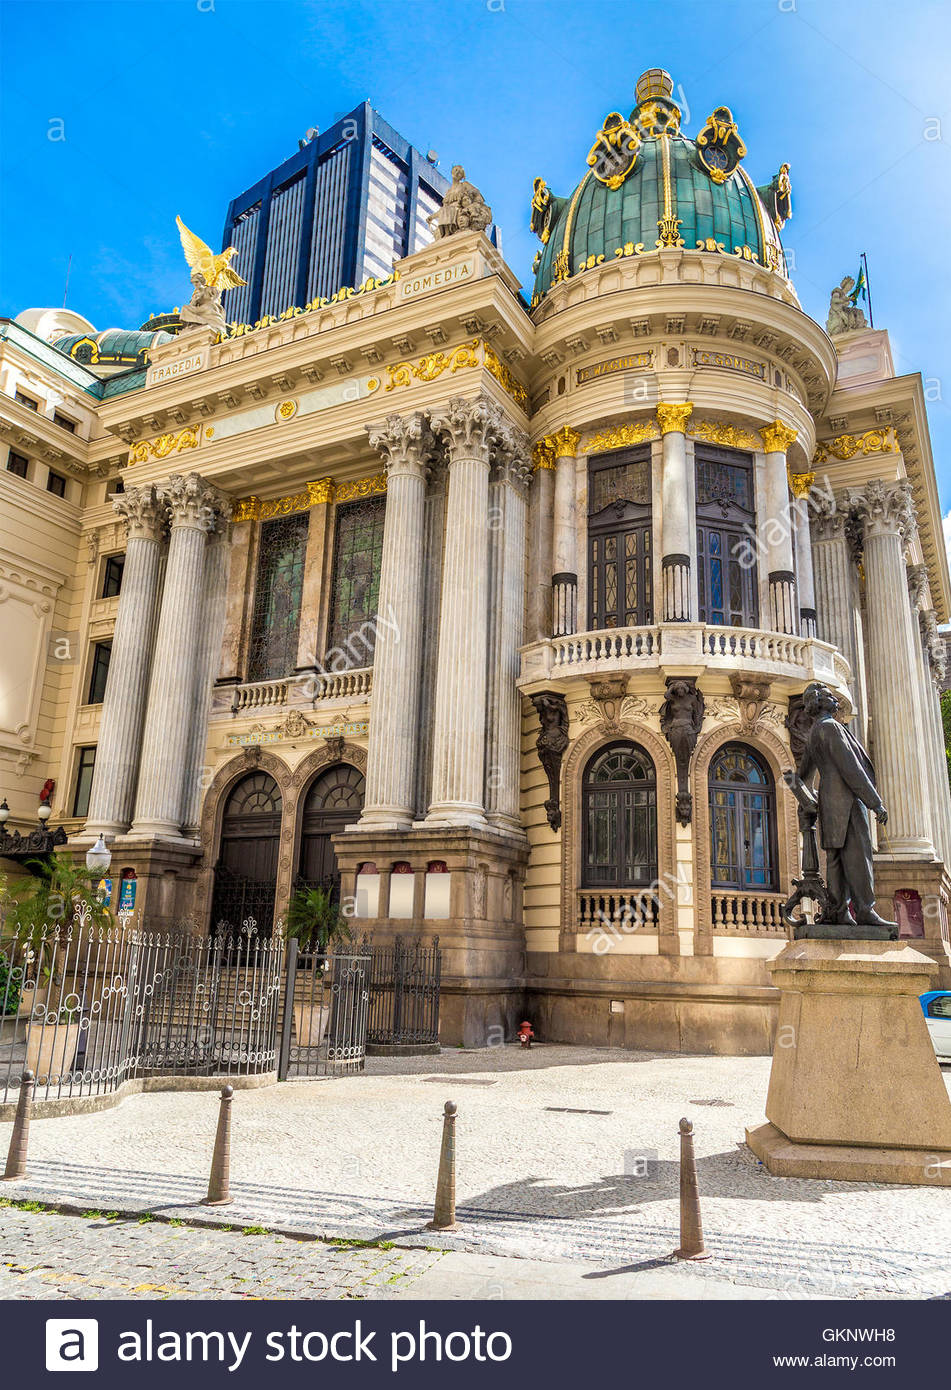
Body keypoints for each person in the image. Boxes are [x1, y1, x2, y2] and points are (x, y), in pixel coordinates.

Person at [795, 682, 893, 928]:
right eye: (829, 695)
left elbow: (799, 777)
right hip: (847, 802)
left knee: (836, 860)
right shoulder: (831, 728)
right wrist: (876, 803)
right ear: (820, 702)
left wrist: (809, 799)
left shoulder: (815, 732)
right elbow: (852, 769)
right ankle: (864, 910)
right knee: (858, 856)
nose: (835, 698)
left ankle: (838, 912)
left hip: (829, 803)